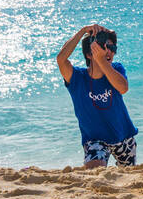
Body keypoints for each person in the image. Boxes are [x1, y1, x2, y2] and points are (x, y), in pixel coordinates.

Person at [56, 24, 138, 167]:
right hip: (95, 141)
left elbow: (123, 88)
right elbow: (61, 59)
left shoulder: (117, 69)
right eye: (103, 47)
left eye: (112, 48)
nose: (109, 52)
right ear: (89, 54)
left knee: (128, 176)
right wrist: (82, 31)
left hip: (123, 137)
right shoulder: (77, 78)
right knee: (95, 175)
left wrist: (101, 59)